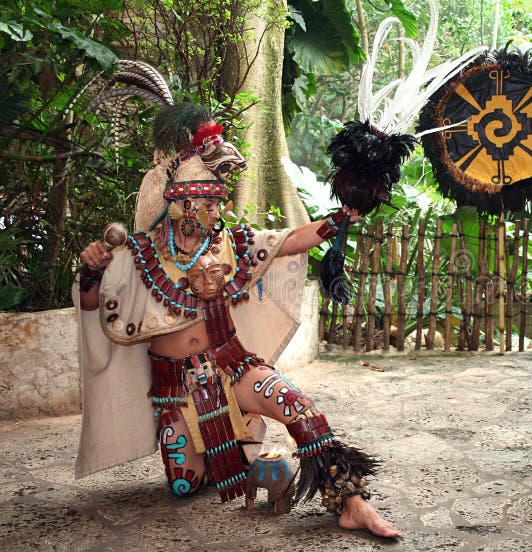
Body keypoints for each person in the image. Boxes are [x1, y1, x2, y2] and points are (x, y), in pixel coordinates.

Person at [74, 103, 400, 538]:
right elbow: (93, 304)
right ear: (182, 204)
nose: (218, 208)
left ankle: (351, 502)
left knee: (300, 407)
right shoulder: (137, 253)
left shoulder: (230, 243)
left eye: (218, 200)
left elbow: (288, 241)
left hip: (232, 364)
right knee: (187, 485)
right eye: (210, 201)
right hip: (175, 388)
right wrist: (92, 269)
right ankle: (232, 447)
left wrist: (342, 218)